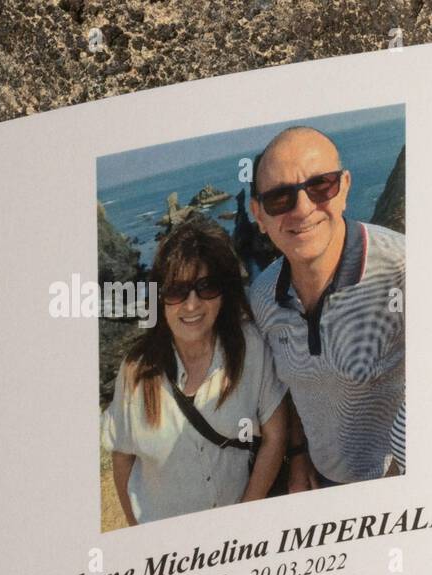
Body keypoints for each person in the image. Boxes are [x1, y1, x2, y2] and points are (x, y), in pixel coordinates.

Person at [246, 125, 405, 491]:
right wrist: (299, 453)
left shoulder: (404, 271)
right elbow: (292, 384)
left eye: (321, 186)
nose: (302, 209)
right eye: (280, 198)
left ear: (345, 187)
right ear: (259, 215)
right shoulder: (263, 295)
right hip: (321, 481)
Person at [103, 217, 288, 526]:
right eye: (176, 290)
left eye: (206, 287)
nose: (192, 305)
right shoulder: (136, 370)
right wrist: (137, 534)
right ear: (160, 298)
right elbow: (122, 456)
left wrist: (245, 516)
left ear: (224, 292)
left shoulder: (250, 348)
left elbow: (275, 435)